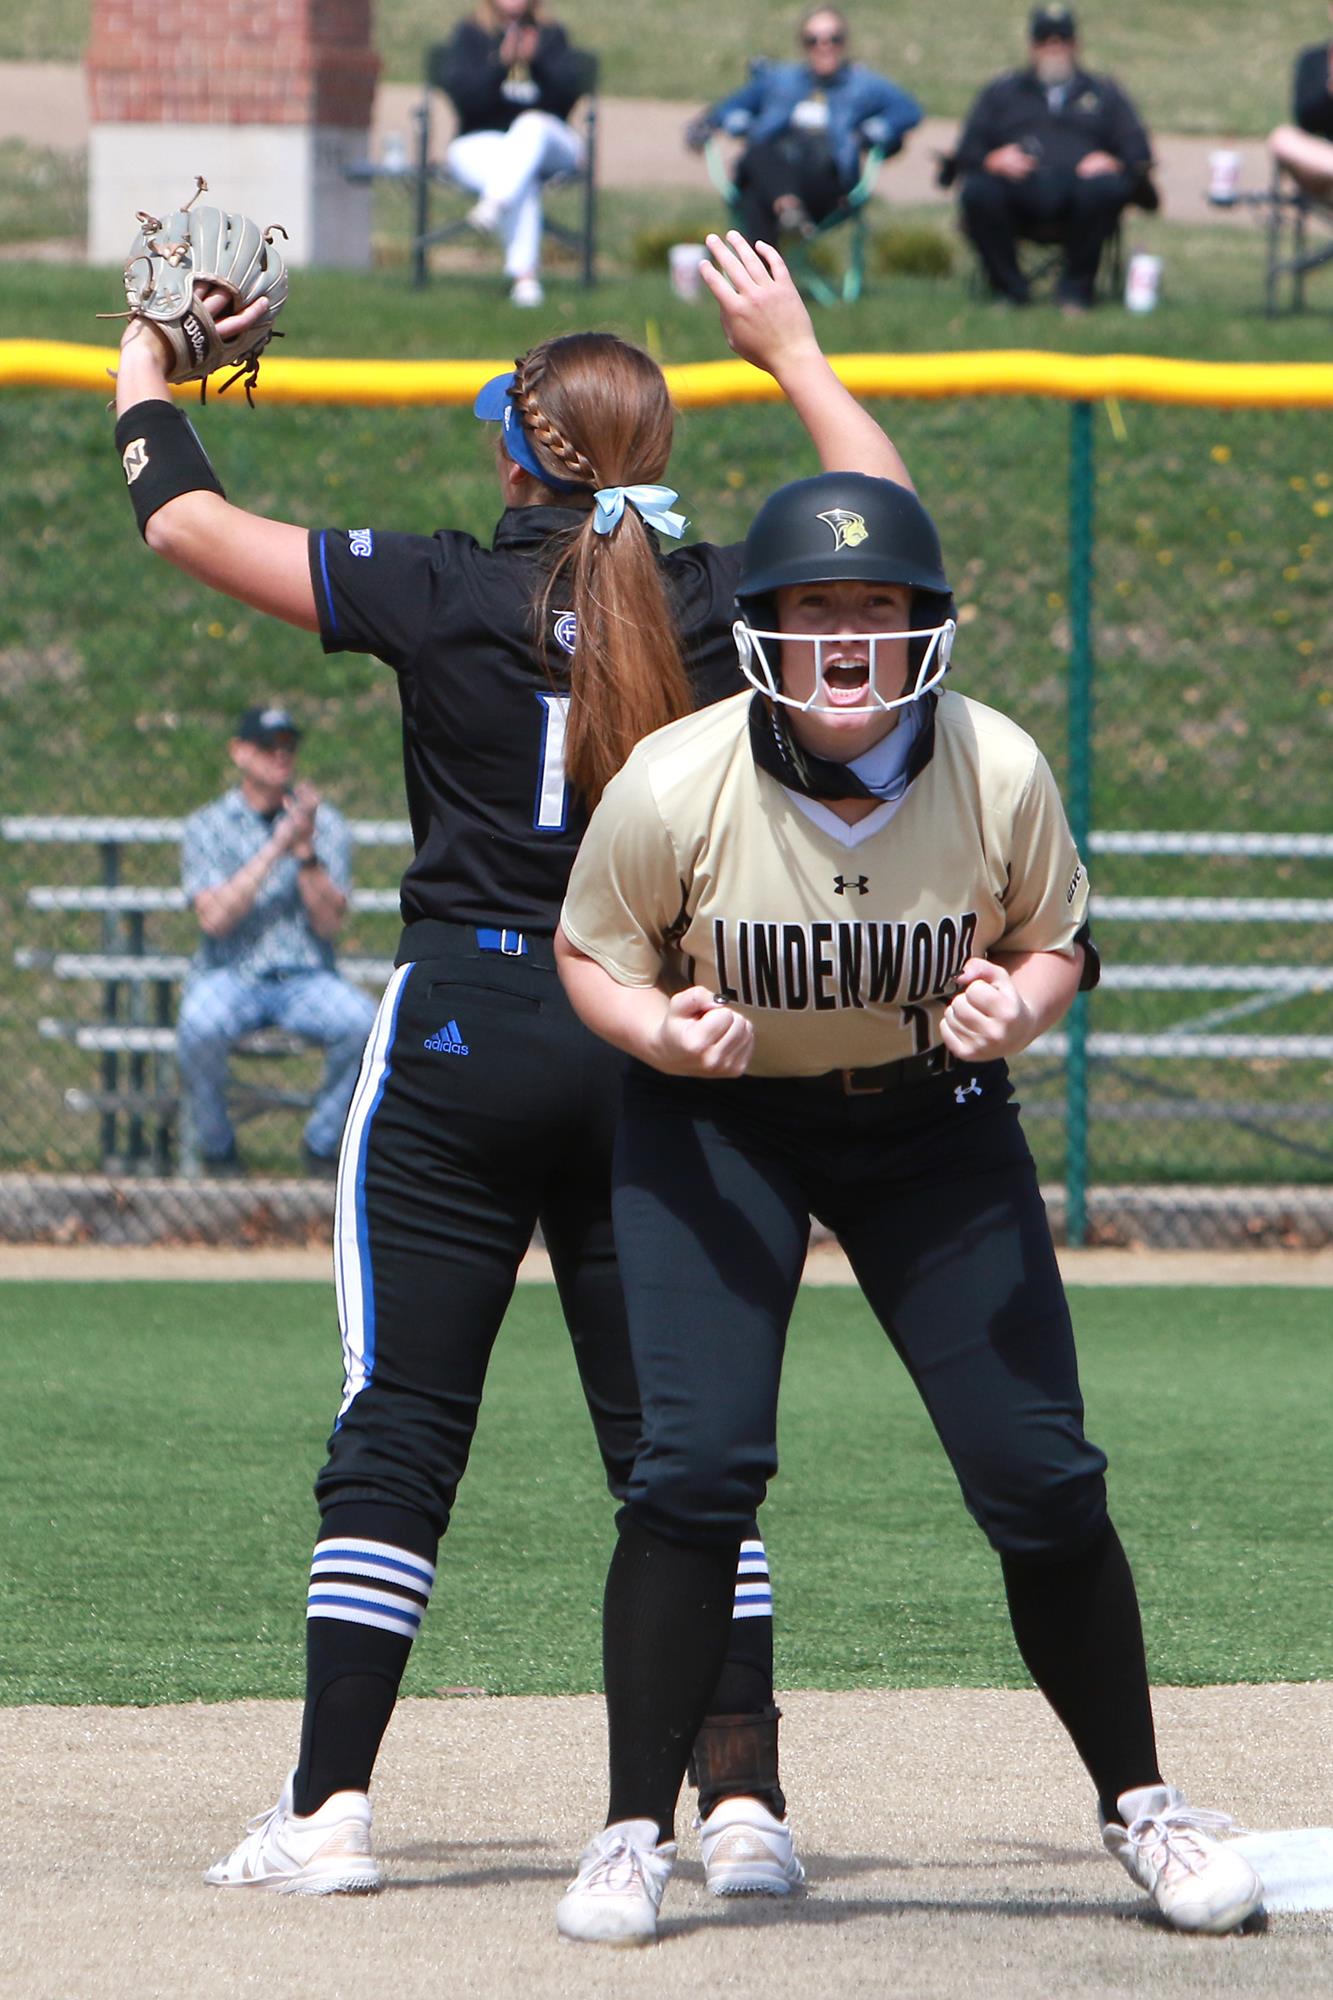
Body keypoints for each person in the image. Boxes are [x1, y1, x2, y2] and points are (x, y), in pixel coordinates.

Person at [111, 231, 913, 1897]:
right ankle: (744, 1811)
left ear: (512, 453)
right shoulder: (710, 601)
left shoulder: (441, 586)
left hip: (466, 1030)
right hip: (661, 1041)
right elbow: (882, 532)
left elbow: (179, 518)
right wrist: (790, 347)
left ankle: (329, 1810)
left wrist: (147, 355)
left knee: (401, 1420)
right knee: (678, 1445)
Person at [552, 469, 1265, 1946]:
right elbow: (590, 957)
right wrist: (654, 1036)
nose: (845, 644)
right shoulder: (678, 778)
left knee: (1042, 1474)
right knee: (691, 1469)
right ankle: (632, 1830)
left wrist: (1020, 1012)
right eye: (814, 610)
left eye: (875, 610)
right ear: (758, 630)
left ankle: (1141, 1804)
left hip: (932, 1124)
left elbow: (1057, 937)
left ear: (926, 629)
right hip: (719, 1120)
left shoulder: (994, 766)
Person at [178, 704, 377, 1178]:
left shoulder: (325, 825)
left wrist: (306, 851)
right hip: (230, 973)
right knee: (199, 1026)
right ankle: (218, 1150)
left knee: (362, 1023)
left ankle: (323, 1145)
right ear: (239, 753)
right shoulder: (208, 826)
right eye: (269, 746)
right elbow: (215, 920)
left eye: (288, 747)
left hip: (306, 977)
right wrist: (275, 847)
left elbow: (330, 924)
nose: (281, 756)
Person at [951, 4, 1154, 312]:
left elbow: (1139, 152)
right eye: (1045, 39)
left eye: (1063, 38)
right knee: (978, 190)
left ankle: (1075, 293)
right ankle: (1010, 291)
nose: (1054, 47)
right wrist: (993, 160)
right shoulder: (1002, 92)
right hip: (1018, 188)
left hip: (1081, 191)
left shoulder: (1104, 93)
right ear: (1032, 46)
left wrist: (1112, 163)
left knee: (1105, 188)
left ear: (1076, 44)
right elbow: (966, 151)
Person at [685, 7, 921, 247]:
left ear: (844, 43)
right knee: (758, 160)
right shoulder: (780, 79)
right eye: (813, 40)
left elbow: (909, 110)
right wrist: (713, 124)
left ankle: (762, 268)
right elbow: (728, 108)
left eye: (833, 39)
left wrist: (874, 131)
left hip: (825, 180)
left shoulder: (863, 84)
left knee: (755, 187)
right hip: (771, 164)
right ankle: (788, 212)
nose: (824, 46)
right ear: (803, 45)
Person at [432, 0, 589, 307]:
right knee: (520, 173)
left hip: (548, 141)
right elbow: (467, 103)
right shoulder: (471, 34)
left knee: (529, 126)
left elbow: (565, 102)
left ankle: (494, 203)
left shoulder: (551, 34)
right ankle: (525, 281)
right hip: (483, 141)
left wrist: (537, 62)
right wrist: (500, 64)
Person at [1268, 5, 1333, 202]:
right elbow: (1305, 120)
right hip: (1326, 160)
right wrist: (1328, 92)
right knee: (1283, 138)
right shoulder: (1313, 60)